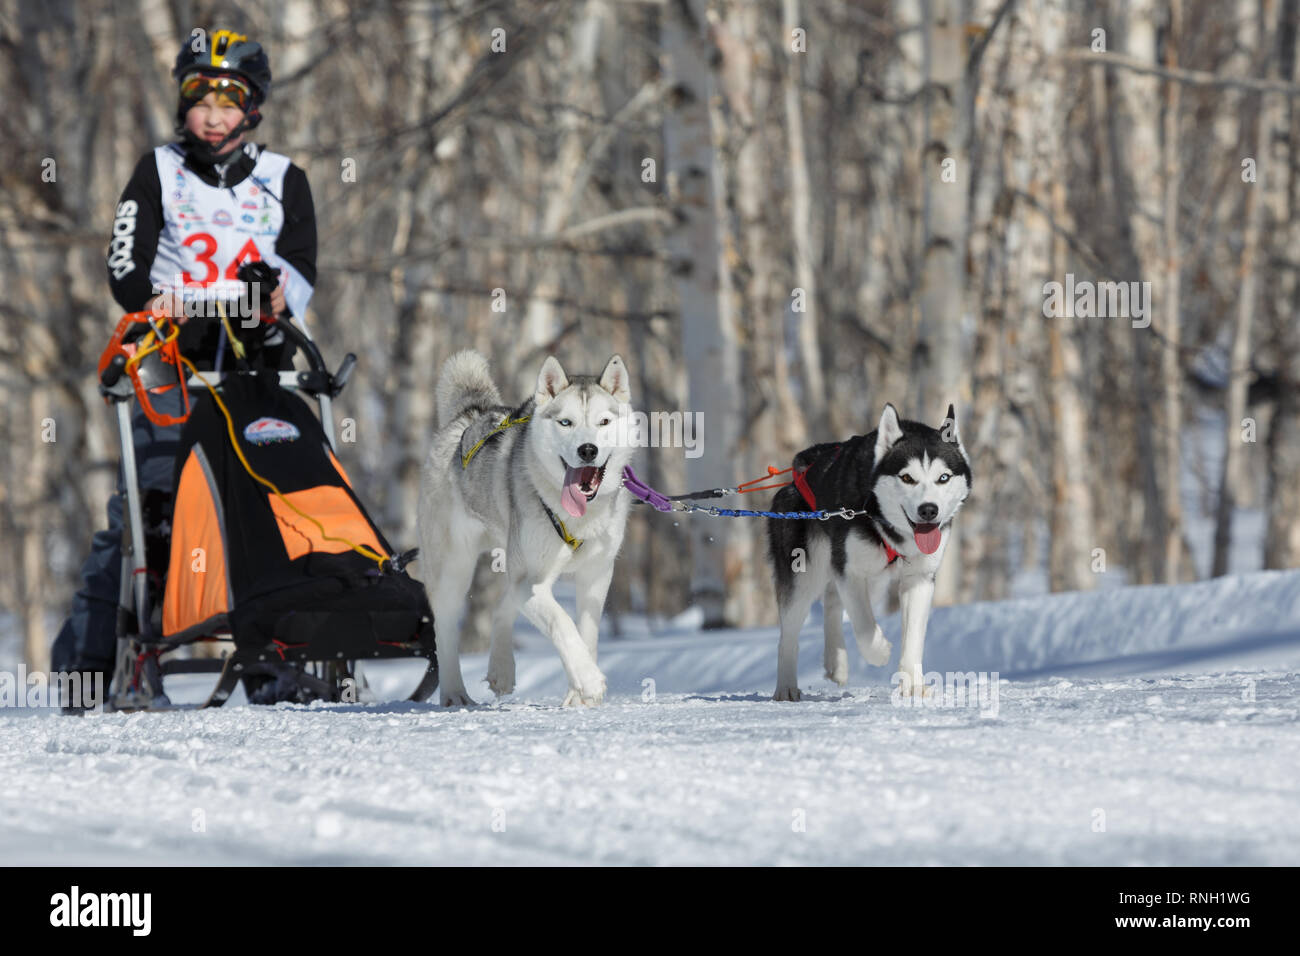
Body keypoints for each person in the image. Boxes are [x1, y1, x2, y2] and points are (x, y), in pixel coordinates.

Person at [52, 29, 318, 695]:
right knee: (151, 506)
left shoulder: (286, 178)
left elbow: (300, 272)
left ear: (253, 106)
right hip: (169, 360)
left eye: (230, 99)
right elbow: (124, 270)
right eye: (200, 96)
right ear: (183, 101)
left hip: (258, 364)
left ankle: (275, 653)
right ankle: (94, 662)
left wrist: (277, 294)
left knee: (271, 501)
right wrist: (160, 300)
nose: (214, 113)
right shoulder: (158, 171)